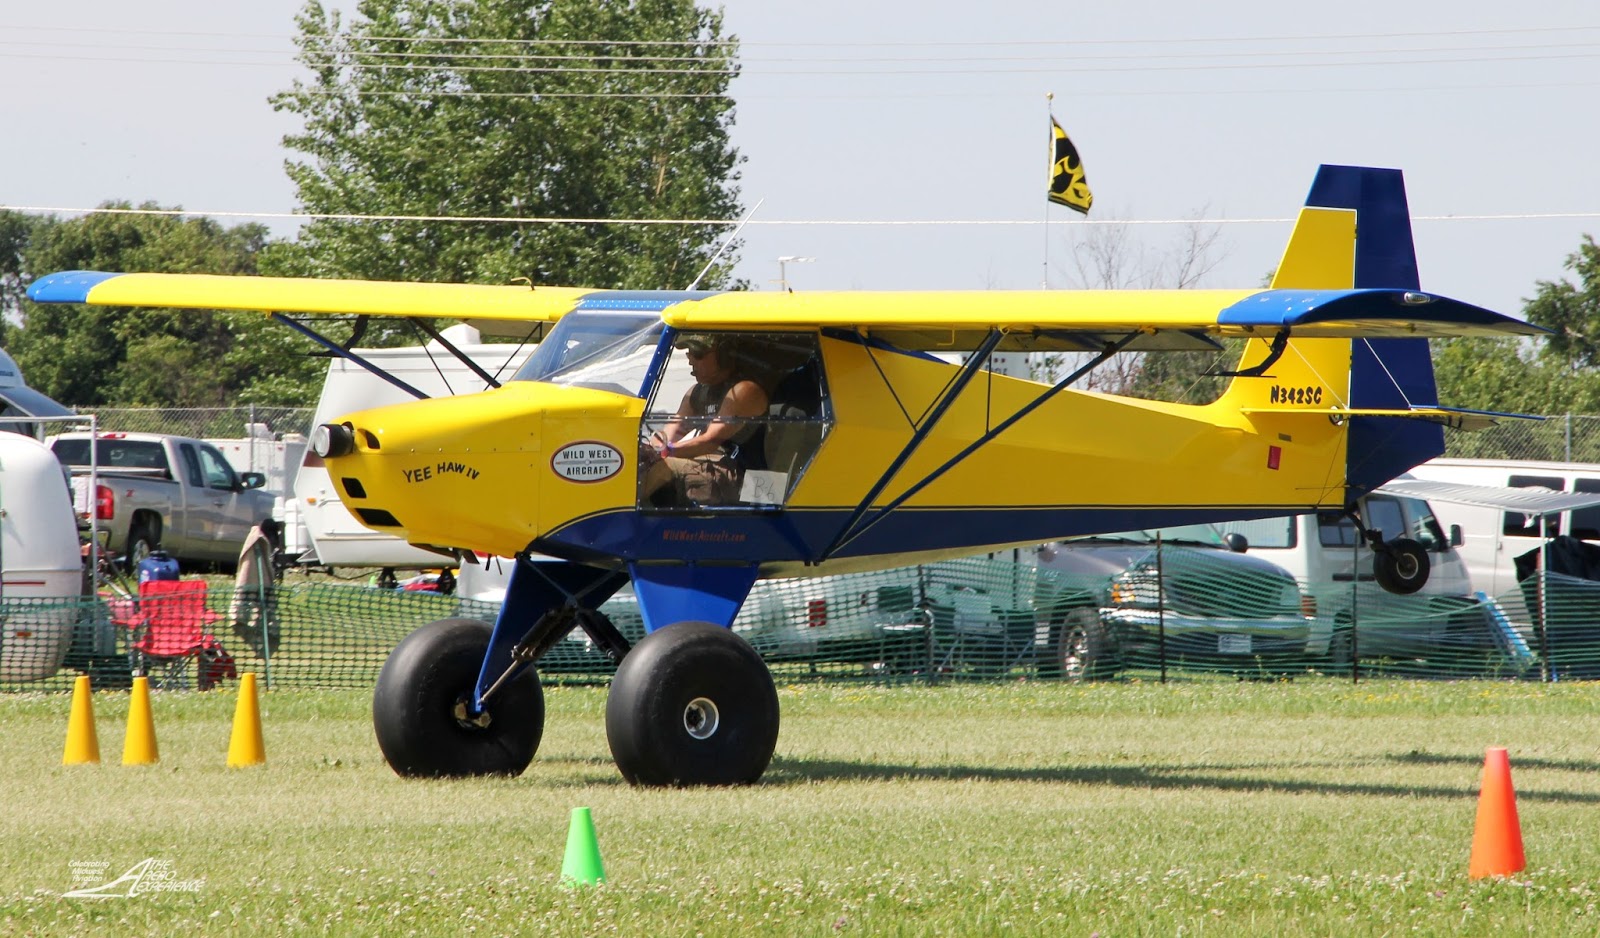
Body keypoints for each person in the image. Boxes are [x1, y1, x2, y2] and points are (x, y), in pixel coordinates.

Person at [641, 334, 769, 505]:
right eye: (689, 354)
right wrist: (648, 450)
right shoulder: (697, 392)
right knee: (638, 468)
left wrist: (664, 452)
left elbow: (710, 441)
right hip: (712, 468)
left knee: (660, 470)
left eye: (698, 354)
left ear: (725, 355)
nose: (690, 361)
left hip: (749, 479)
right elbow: (668, 434)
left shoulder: (743, 391)